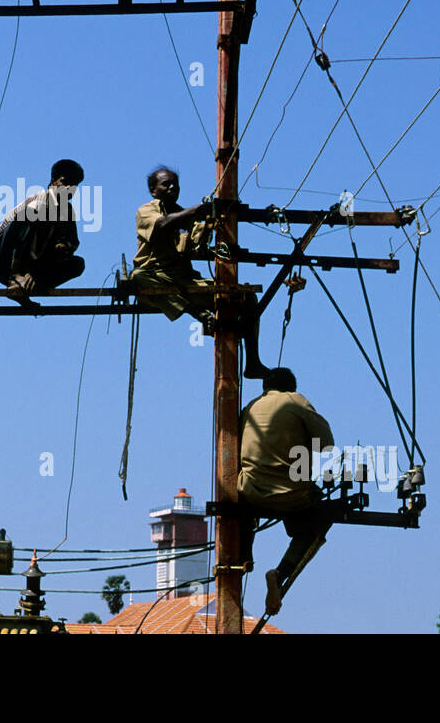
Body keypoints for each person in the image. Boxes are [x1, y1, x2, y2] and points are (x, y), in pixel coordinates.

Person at [128, 167, 268, 378]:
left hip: (184, 279)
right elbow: (162, 225)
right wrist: (196, 211)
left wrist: (210, 228)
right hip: (157, 277)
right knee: (137, 276)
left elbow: (198, 249)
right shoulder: (147, 211)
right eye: (166, 184)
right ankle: (199, 314)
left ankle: (253, 362)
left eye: (175, 184)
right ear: (153, 190)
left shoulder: (188, 219)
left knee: (246, 296)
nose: (173, 188)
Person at [237, 367, 335, 615]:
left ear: (265, 388)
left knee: (241, 507)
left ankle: (245, 554)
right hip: (292, 494)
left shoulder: (249, 407)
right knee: (318, 523)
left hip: (250, 490)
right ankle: (279, 574)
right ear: (292, 386)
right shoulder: (296, 401)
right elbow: (327, 445)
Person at [0, 158, 86, 304]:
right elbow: (18, 234)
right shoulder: (40, 201)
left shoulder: (67, 212)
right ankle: (15, 277)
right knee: (32, 213)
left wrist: (65, 247)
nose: (68, 188)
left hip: (29, 264)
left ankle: (28, 286)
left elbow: (73, 242)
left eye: (73, 185)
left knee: (77, 264)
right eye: (64, 182)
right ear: (53, 181)